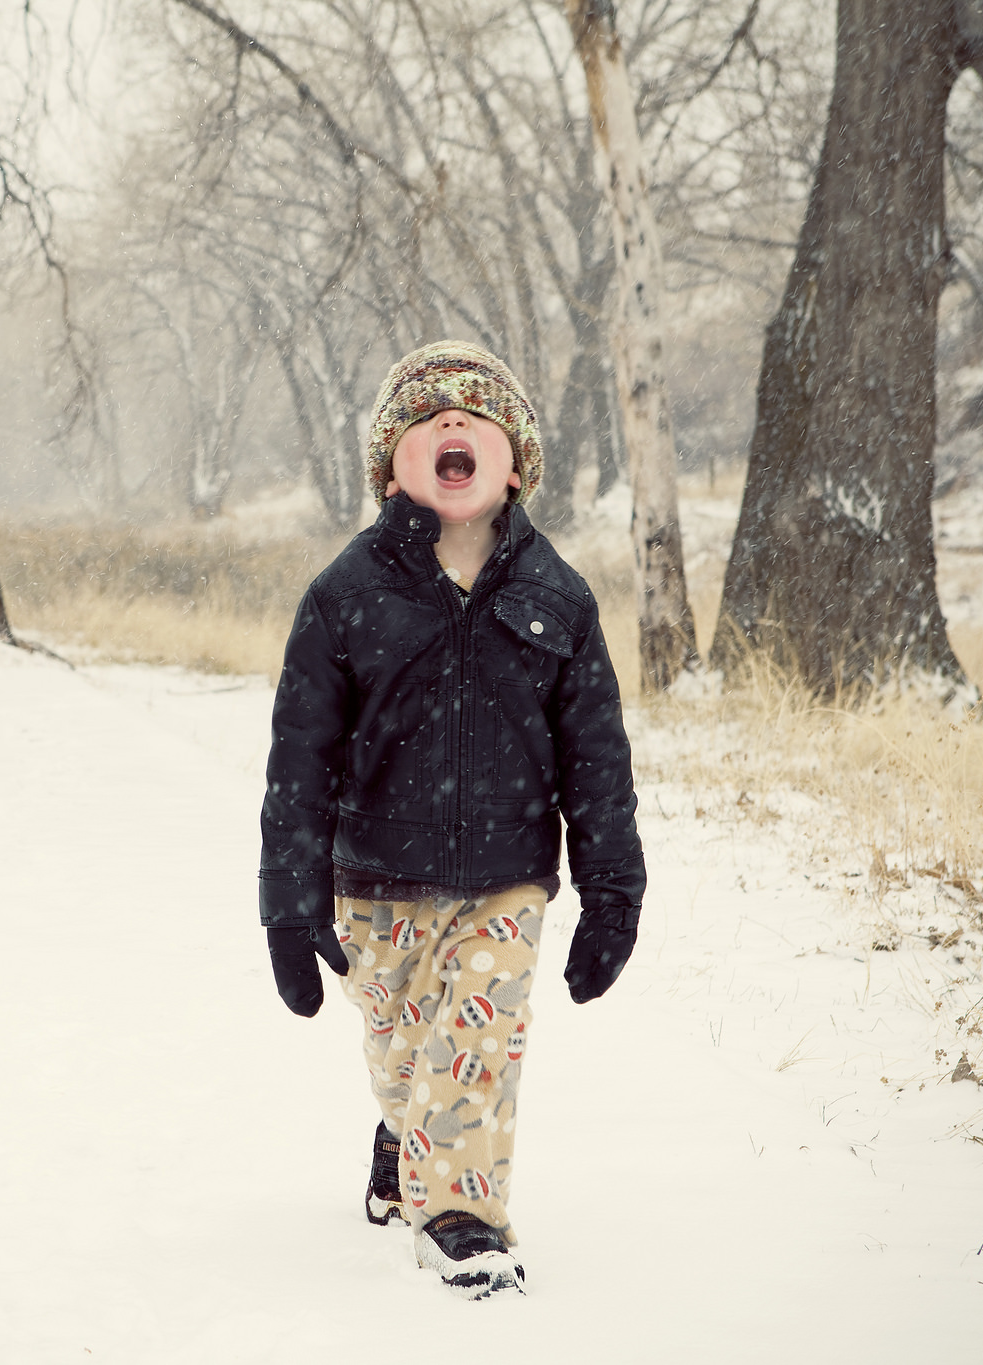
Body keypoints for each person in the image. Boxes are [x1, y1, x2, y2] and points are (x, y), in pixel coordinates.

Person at [258, 340, 646, 1299]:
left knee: (474, 1044)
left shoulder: (557, 595)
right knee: (404, 1048)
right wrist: (288, 898)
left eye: (477, 415)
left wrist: (612, 889)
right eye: (428, 416)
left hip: (506, 878)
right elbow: (299, 758)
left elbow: (599, 762)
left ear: (515, 464)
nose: (453, 424)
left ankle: (461, 1212)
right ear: (392, 465)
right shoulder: (345, 595)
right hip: (373, 880)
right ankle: (405, 1133)